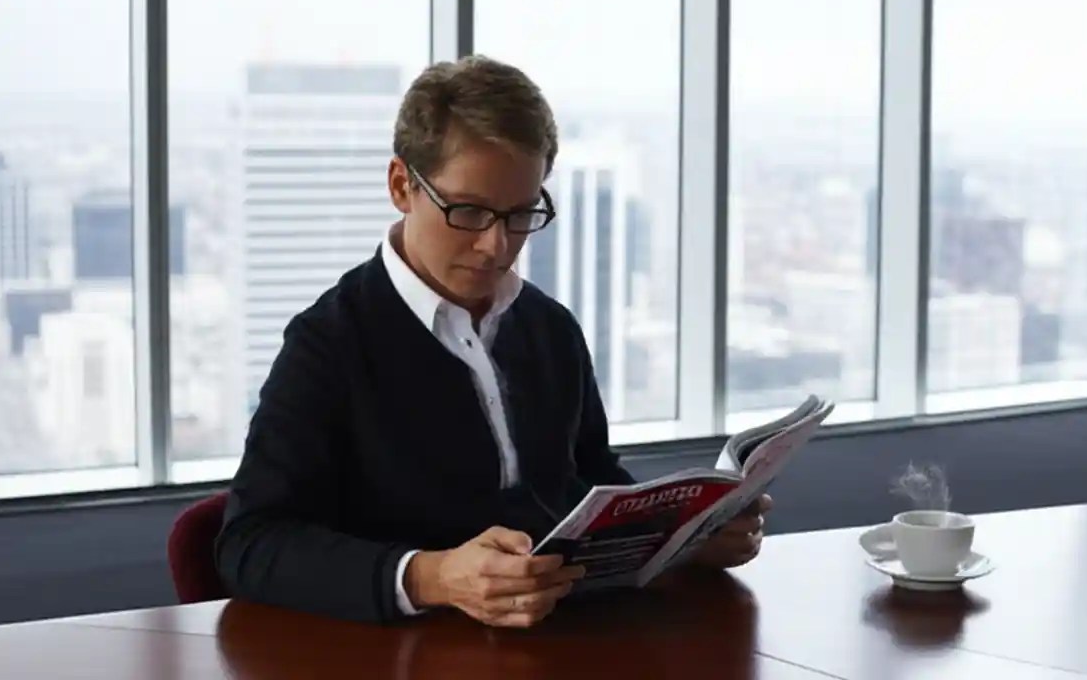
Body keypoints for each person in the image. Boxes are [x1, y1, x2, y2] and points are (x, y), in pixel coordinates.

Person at [215, 55, 772, 627]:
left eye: (519, 214)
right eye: (470, 212)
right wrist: (433, 576)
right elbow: (250, 545)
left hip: (561, 642)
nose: (496, 246)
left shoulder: (549, 327)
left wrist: (683, 536)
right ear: (401, 185)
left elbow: (590, 481)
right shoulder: (327, 344)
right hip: (401, 654)